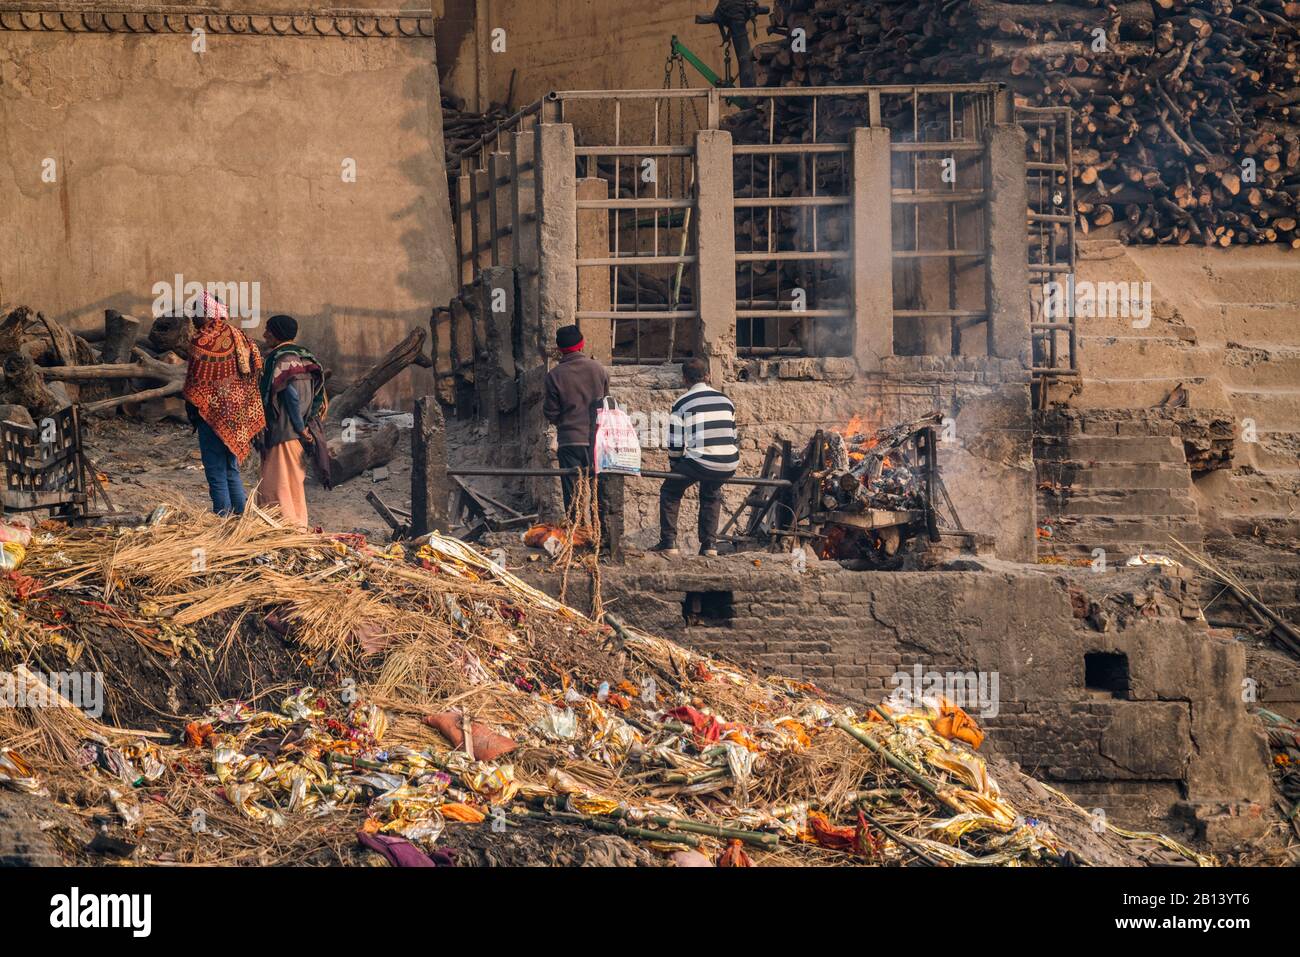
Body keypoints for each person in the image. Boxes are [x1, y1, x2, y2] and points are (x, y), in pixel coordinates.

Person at [183, 291, 266, 516]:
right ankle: (241, 517)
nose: (193, 318)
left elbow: (194, 384)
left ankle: (223, 519)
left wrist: (195, 411)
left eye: (195, 313)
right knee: (231, 469)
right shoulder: (242, 337)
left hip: (211, 416)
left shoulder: (202, 341)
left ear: (204, 314)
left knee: (215, 470)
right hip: (238, 416)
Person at [653, 357, 738, 557]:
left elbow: (675, 445)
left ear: (684, 379)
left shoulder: (681, 403)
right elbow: (733, 436)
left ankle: (669, 543)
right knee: (711, 492)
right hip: (729, 462)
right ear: (708, 376)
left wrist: (675, 467)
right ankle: (710, 545)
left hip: (700, 461)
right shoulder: (726, 400)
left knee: (670, 490)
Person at [542, 324, 616, 547]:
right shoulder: (599, 370)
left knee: (573, 494)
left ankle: (579, 537)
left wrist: (562, 419)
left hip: (570, 440)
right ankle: (603, 538)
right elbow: (606, 404)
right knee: (599, 490)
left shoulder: (554, 376)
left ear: (560, 349)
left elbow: (551, 412)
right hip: (597, 442)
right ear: (582, 344)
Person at [256, 314, 329, 528]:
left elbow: (291, 396)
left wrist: (298, 427)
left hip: (285, 431)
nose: (264, 334)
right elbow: (317, 397)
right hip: (300, 430)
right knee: (292, 483)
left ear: (277, 332)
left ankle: (283, 529)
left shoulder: (283, 360)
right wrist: (305, 428)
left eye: (268, 330)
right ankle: (297, 526)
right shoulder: (306, 357)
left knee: (276, 486)